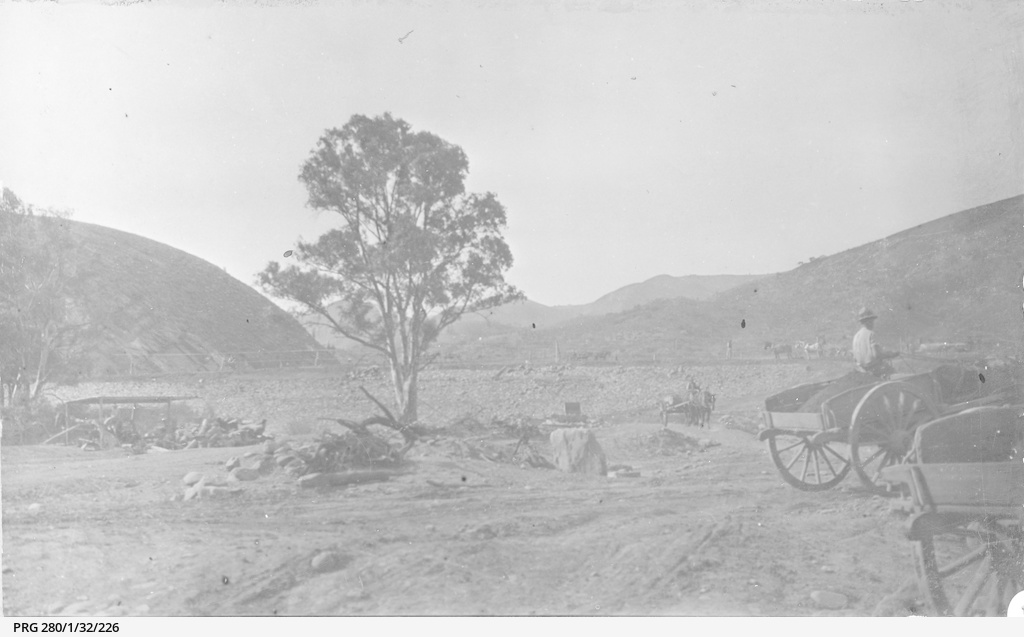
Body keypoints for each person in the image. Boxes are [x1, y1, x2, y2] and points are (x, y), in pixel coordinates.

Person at [852, 307, 899, 377]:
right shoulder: (870, 334)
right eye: (872, 321)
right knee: (894, 374)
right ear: (868, 321)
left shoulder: (856, 336)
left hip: (862, 370)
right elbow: (877, 354)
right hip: (874, 369)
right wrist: (891, 354)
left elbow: (855, 358)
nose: (873, 323)